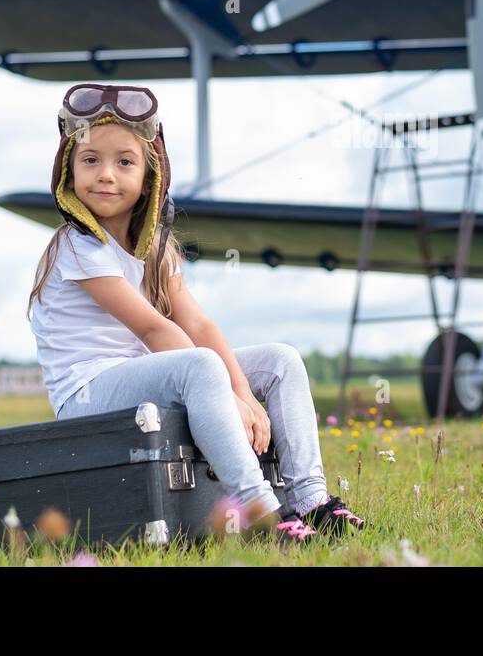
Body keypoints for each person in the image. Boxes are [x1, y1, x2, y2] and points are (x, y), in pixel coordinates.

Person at [26, 83, 365, 544]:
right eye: (90, 160)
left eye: (124, 161)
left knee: (280, 361)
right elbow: (152, 326)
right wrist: (231, 394)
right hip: (87, 395)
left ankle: (310, 500)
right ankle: (260, 512)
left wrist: (243, 391)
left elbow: (199, 325)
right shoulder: (78, 248)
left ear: (150, 177)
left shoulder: (154, 251)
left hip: (138, 374)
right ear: (69, 172)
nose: (106, 174)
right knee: (201, 365)